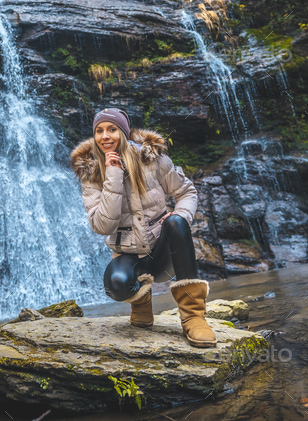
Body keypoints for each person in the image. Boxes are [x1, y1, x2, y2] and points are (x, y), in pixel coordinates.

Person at [69, 107, 216, 347]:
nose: (105, 136)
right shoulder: (91, 171)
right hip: (129, 255)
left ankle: (193, 316)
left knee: (176, 222)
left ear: (124, 133)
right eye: (99, 131)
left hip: (162, 252)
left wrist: (180, 219)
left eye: (112, 129)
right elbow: (102, 226)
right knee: (116, 285)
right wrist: (113, 174)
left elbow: (186, 191)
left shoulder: (151, 158)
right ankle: (141, 301)